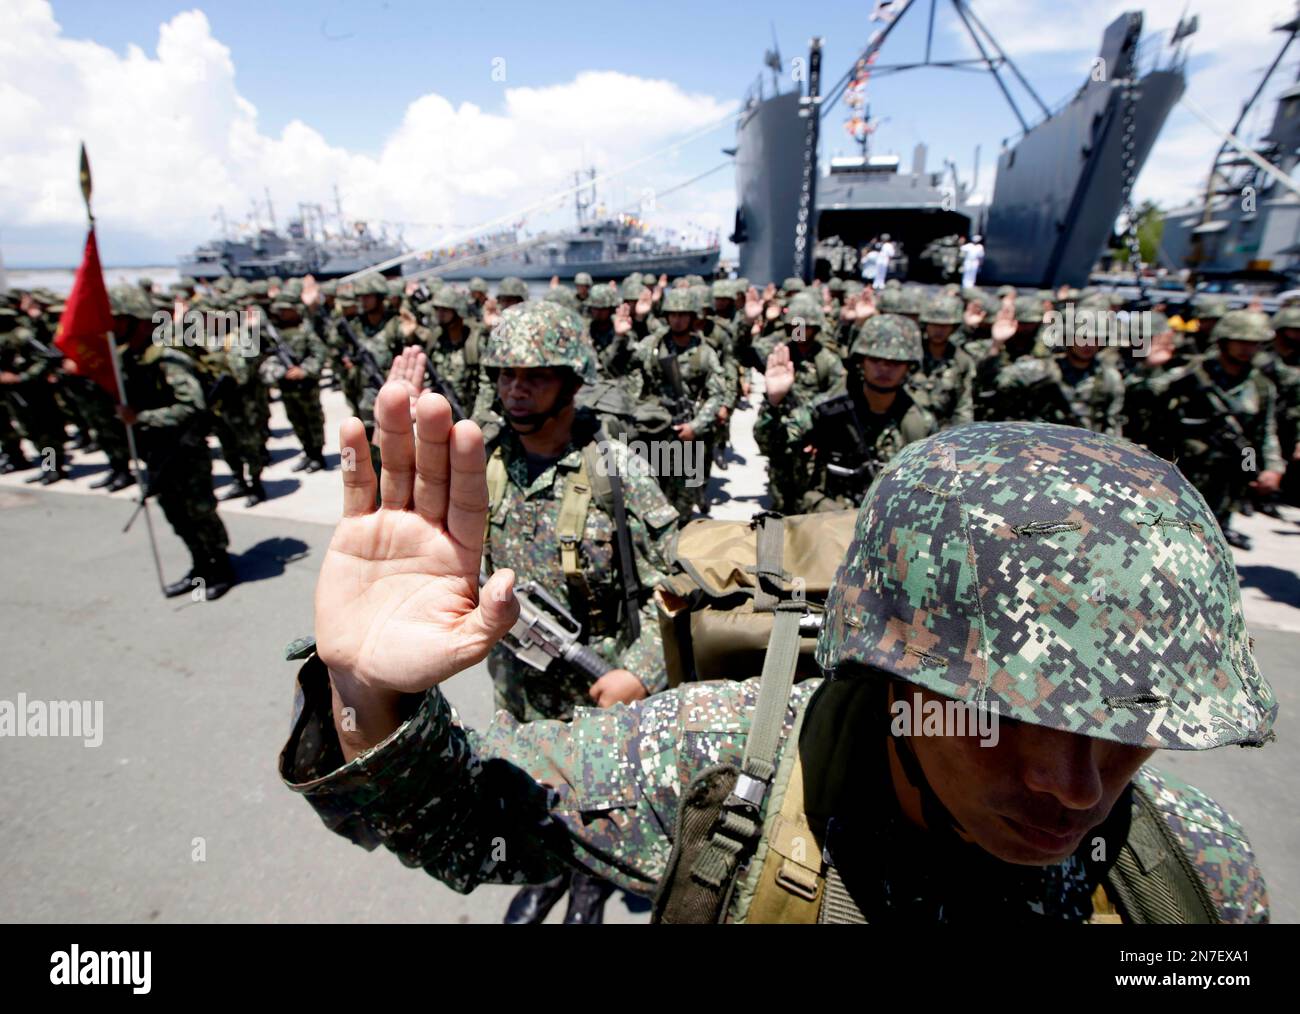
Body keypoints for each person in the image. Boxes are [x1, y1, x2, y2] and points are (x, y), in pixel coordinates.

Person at [280, 418, 1276, 923]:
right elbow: (463, 822)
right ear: (891, 675)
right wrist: (370, 696)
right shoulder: (719, 772)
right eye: (1007, 716)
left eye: (1127, 724)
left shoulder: (1194, 877)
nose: (1074, 786)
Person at [110, 286, 236, 600]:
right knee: (175, 512)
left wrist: (141, 418)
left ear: (137, 321)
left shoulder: (168, 358)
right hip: (156, 451)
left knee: (200, 511)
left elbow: (192, 406)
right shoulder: (129, 359)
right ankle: (199, 566)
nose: (114, 328)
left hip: (185, 450)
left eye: (120, 320)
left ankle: (220, 567)